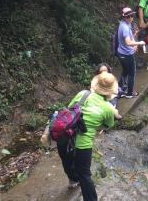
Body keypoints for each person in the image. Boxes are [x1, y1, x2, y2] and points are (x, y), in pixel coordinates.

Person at [57, 72, 116, 200]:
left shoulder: (83, 94)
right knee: (85, 175)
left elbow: (68, 110)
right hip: (82, 145)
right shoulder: (109, 108)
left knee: (67, 161)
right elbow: (107, 125)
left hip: (64, 136)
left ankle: (73, 180)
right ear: (110, 92)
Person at [117, 7, 145, 98]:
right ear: (124, 17)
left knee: (125, 71)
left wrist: (135, 45)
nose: (131, 18)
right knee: (132, 73)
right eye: (129, 16)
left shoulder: (125, 23)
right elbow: (128, 42)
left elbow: (130, 37)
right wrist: (139, 43)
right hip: (127, 54)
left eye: (132, 15)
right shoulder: (124, 27)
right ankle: (129, 93)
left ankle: (119, 89)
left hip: (121, 53)